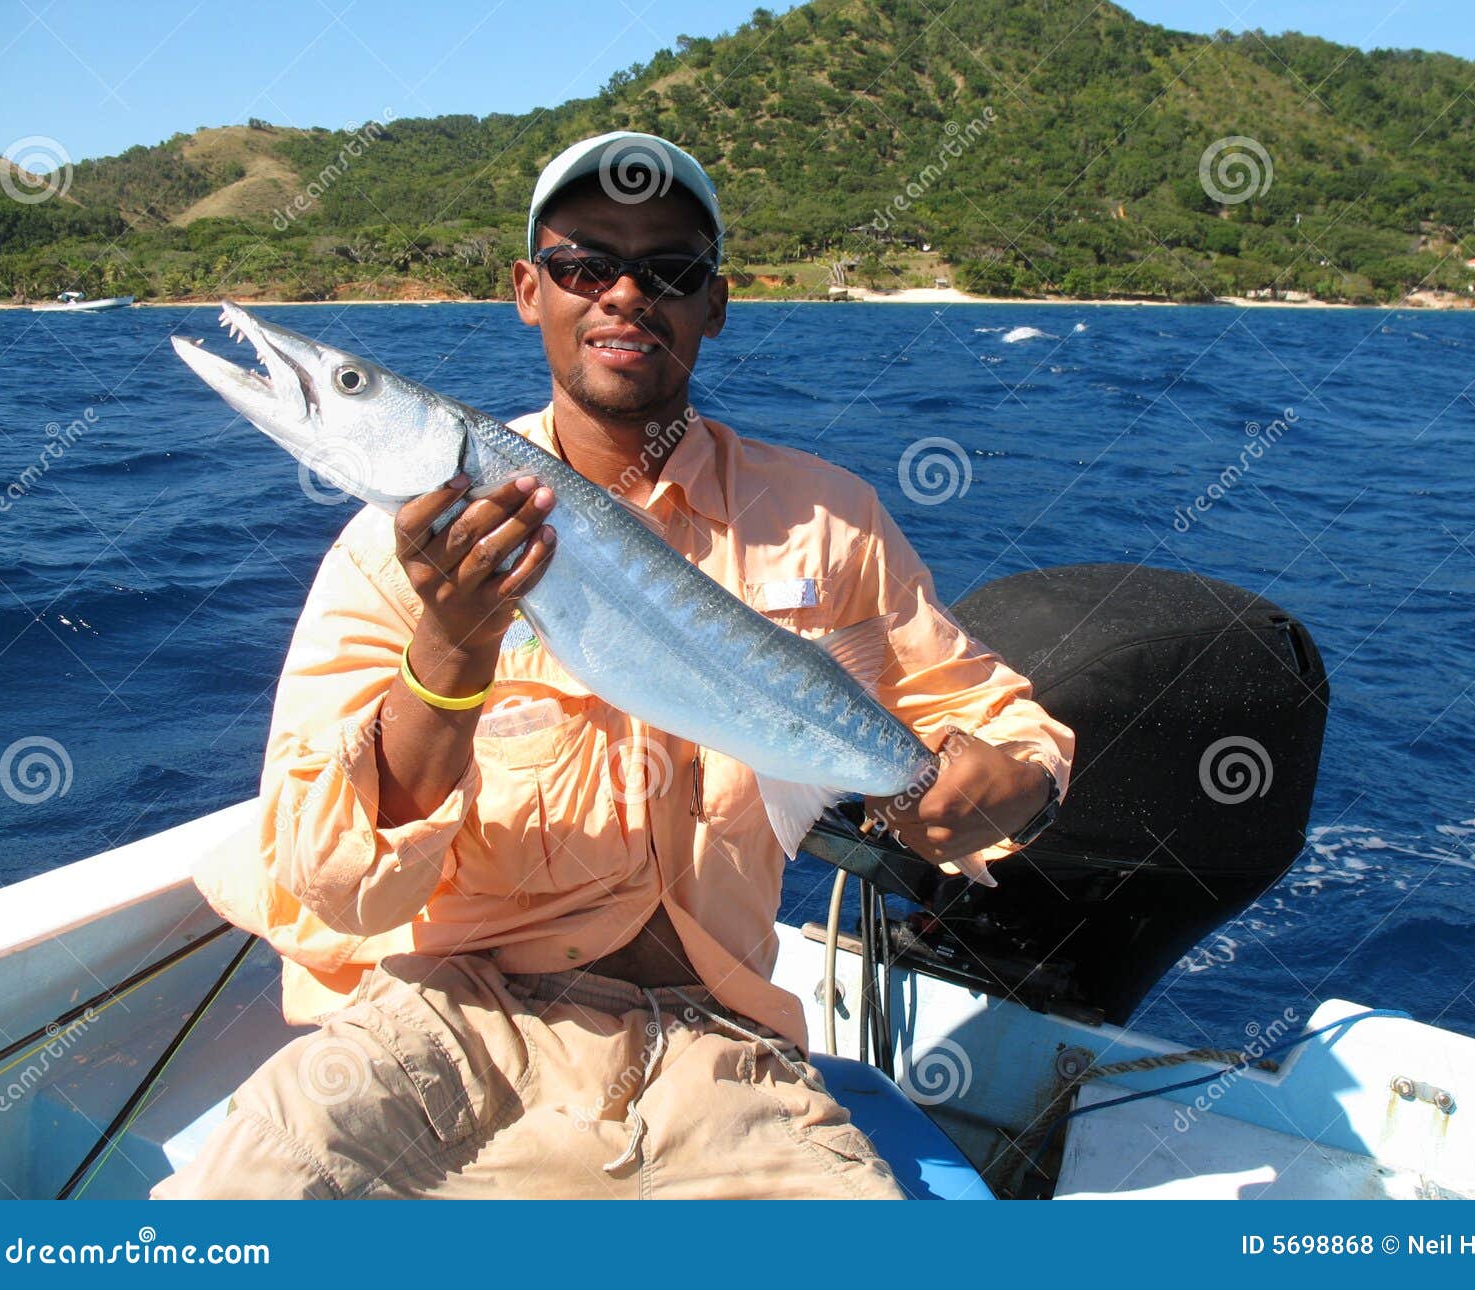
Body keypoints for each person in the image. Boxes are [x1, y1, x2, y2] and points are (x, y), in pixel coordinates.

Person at [152, 132, 1074, 1200]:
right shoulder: (381, 554)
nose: (624, 295)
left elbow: (994, 718)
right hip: (447, 1027)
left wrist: (1015, 783)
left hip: (719, 1051)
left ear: (714, 304)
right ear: (527, 290)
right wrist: (450, 651)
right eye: (585, 264)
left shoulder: (826, 519)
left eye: (669, 271)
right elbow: (336, 887)